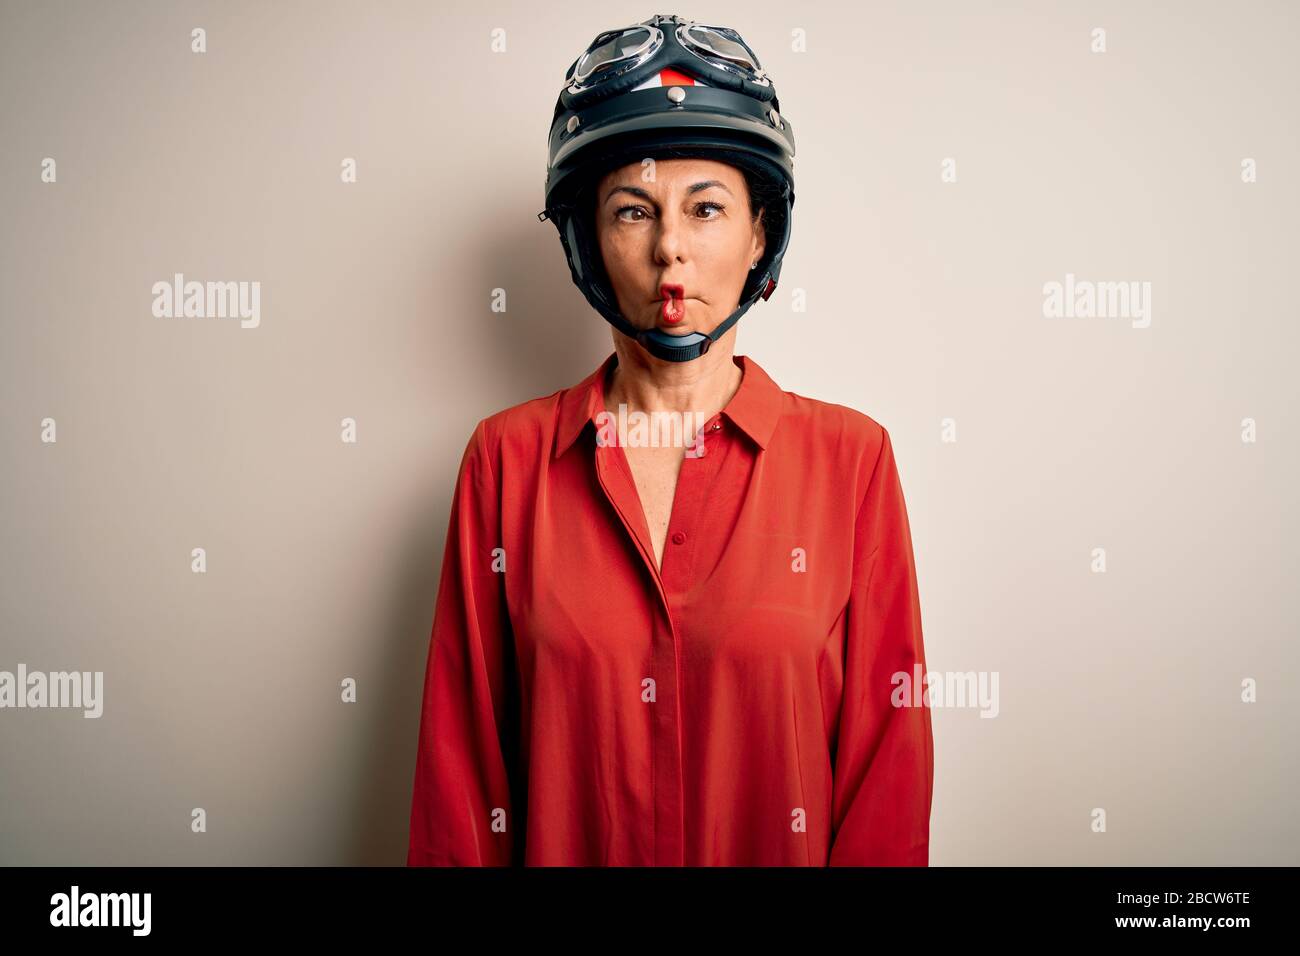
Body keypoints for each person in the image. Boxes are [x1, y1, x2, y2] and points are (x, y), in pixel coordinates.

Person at [407, 14, 933, 866]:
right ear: (586, 239)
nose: (670, 249)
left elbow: (887, 785)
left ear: (759, 235)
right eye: (632, 211)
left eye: (707, 208)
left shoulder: (853, 461)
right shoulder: (503, 463)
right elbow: (458, 788)